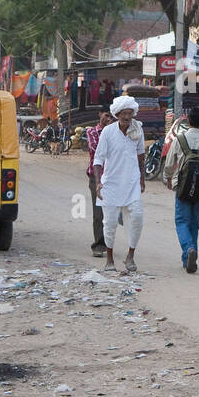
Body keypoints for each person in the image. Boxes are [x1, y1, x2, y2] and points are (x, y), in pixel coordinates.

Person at [93, 95, 146, 273]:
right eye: (124, 113)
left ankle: (130, 256)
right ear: (117, 114)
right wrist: (98, 182)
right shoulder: (108, 132)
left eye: (130, 113)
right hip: (111, 184)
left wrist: (142, 179)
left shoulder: (137, 129)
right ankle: (109, 259)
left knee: (137, 218)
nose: (127, 117)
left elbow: (141, 155)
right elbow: (98, 159)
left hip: (132, 182)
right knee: (110, 223)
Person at [163, 107, 199, 273]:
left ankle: (188, 250)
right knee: (194, 223)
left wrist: (168, 178)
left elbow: (169, 164)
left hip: (182, 185)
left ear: (188, 121)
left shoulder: (179, 139)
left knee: (181, 221)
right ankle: (188, 259)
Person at [85, 109, 115, 256]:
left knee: (111, 212)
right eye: (106, 115)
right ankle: (98, 245)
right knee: (98, 213)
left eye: (111, 116)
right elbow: (97, 150)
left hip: (112, 177)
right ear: (100, 114)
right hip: (96, 177)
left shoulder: (115, 132)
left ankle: (108, 243)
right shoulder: (92, 132)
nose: (108, 118)